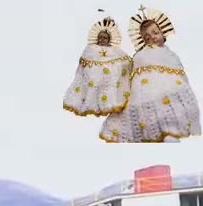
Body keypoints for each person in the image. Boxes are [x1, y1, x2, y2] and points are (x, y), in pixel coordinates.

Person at [100, 8, 199, 142]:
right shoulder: (141, 55)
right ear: (143, 41)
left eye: (155, 33)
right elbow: (130, 71)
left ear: (163, 32)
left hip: (169, 95)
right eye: (147, 37)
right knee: (146, 120)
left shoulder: (172, 56)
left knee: (169, 122)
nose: (152, 37)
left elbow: (181, 75)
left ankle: (168, 133)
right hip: (145, 95)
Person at [62, 16, 131, 118]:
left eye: (105, 38)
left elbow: (125, 62)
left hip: (109, 80)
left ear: (110, 39)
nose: (102, 39)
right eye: (100, 37)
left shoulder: (115, 51)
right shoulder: (91, 49)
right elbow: (84, 64)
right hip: (94, 79)